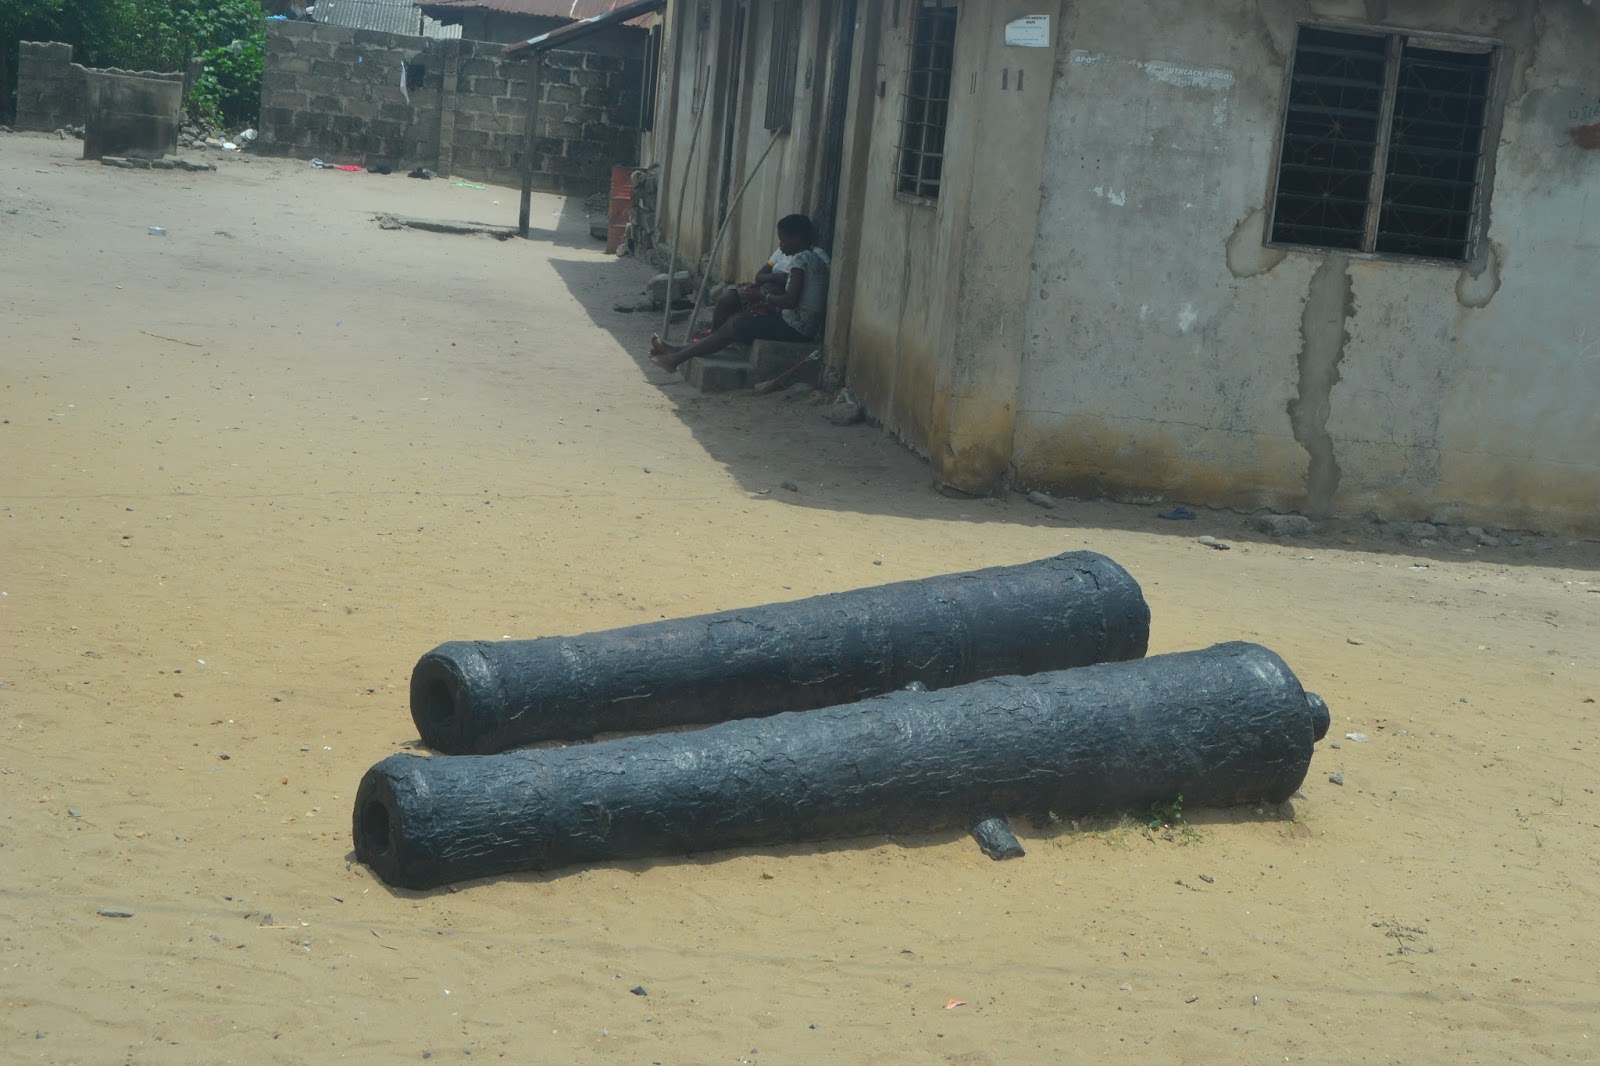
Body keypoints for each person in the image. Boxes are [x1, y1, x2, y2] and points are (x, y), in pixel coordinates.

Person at [650, 214, 829, 373]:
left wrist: (763, 297)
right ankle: (678, 351)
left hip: (796, 328)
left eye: (784, 241)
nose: (781, 247)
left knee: (735, 325)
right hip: (797, 323)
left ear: (797, 238)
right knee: (734, 318)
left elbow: (790, 301)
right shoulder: (810, 258)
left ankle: (676, 358)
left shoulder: (801, 260)